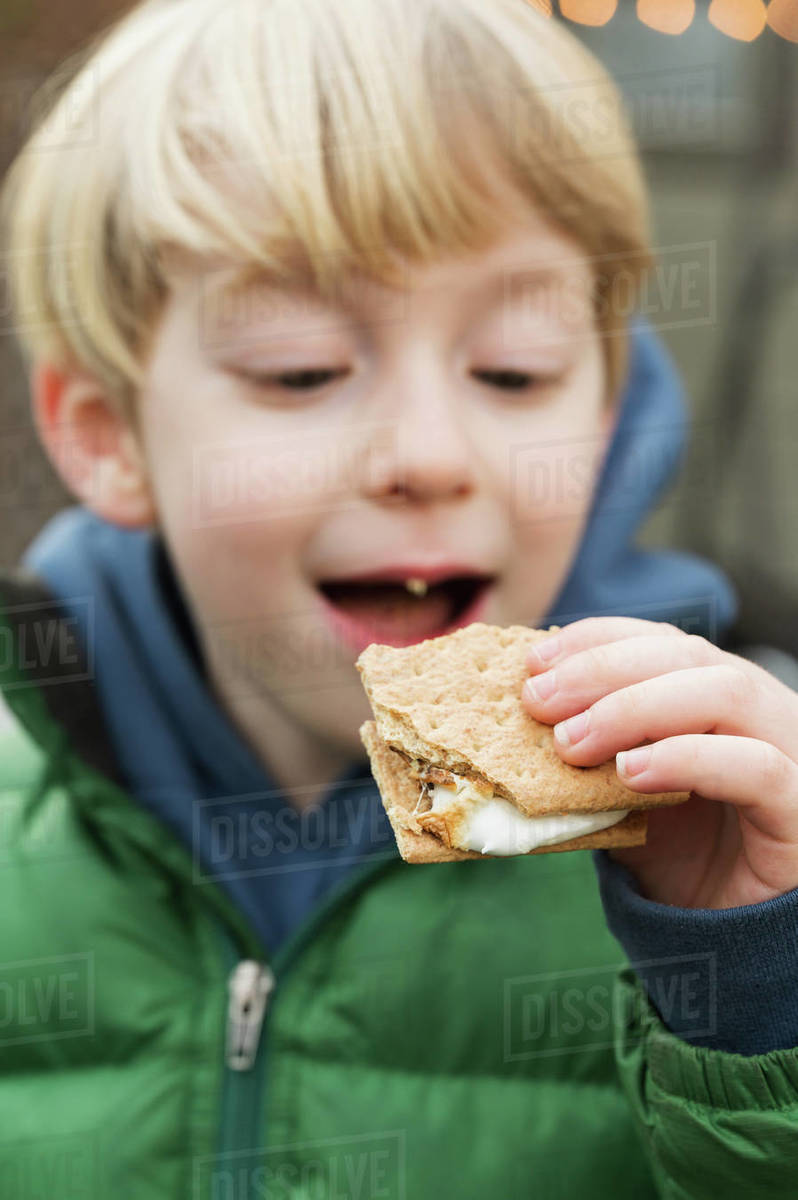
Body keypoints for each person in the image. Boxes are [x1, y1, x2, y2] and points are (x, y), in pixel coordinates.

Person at [1, 0, 797, 1195]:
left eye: (516, 368)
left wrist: (751, 982)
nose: (431, 453)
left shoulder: (747, 830)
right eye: (301, 368)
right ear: (109, 432)